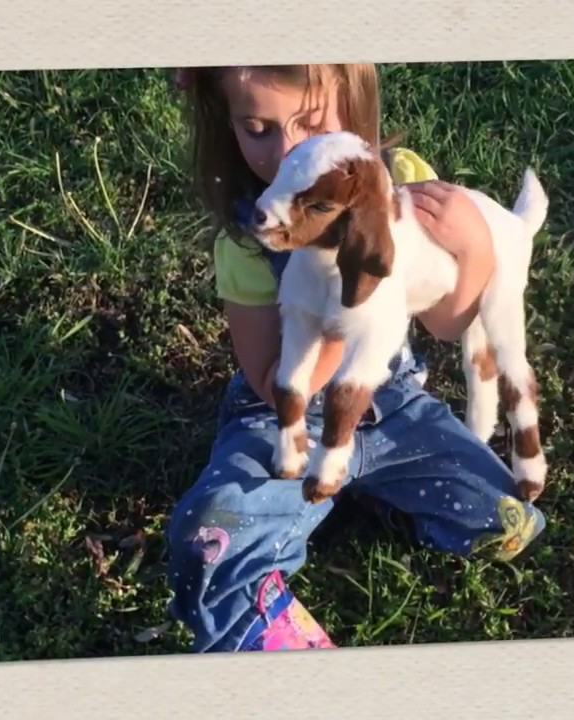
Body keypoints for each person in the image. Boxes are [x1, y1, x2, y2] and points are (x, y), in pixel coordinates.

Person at [165, 63, 545, 653]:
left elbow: (448, 325)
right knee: (205, 539)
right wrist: (351, 306)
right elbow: (273, 381)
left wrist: (470, 249)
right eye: (258, 128)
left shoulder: (408, 188)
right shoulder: (248, 241)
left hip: (392, 407)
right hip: (285, 426)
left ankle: (376, 494)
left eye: (312, 121)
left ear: (355, 105)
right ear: (228, 126)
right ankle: (270, 632)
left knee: (507, 517)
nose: (292, 150)